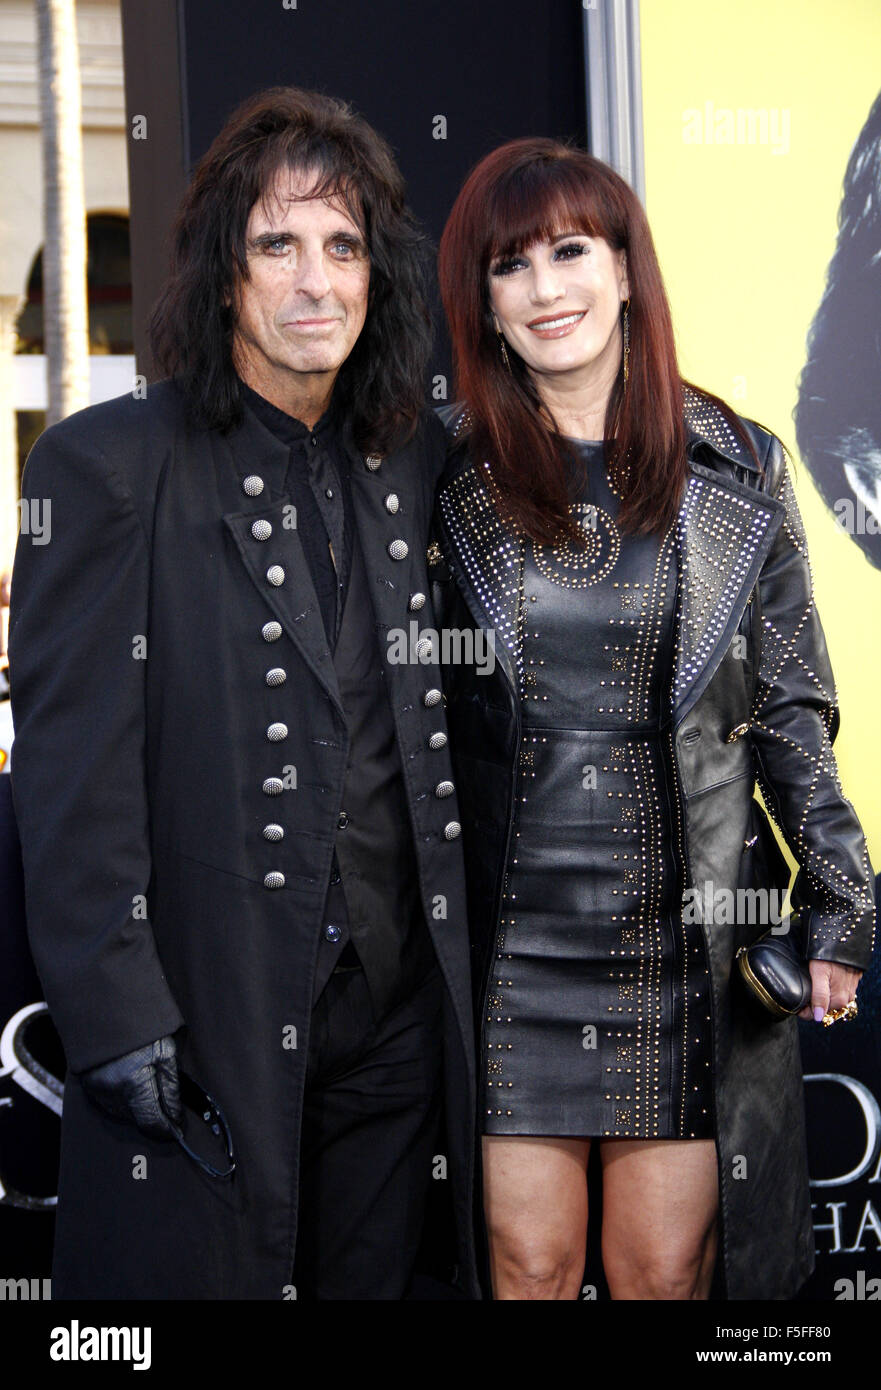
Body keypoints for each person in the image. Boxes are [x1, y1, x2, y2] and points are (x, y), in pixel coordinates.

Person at [8, 87, 478, 1301]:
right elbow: (69, 772)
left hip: (395, 1030)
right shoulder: (103, 467)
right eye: (279, 244)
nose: (315, 280)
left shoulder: (420, 463)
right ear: (226, 272)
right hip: (207, 1013)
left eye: (343, 247)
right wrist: (115, 1013)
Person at [429, 137, 875, 1301]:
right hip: (507, 948)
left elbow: (787, 703)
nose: (544, 289)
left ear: (626, 269)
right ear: (482, 300)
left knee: (662, 1272)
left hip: (679, 947)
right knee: (525, 1268)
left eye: (569, 251)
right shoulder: (440, 475)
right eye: (509, 266)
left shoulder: (737, 464)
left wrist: (839, 893)